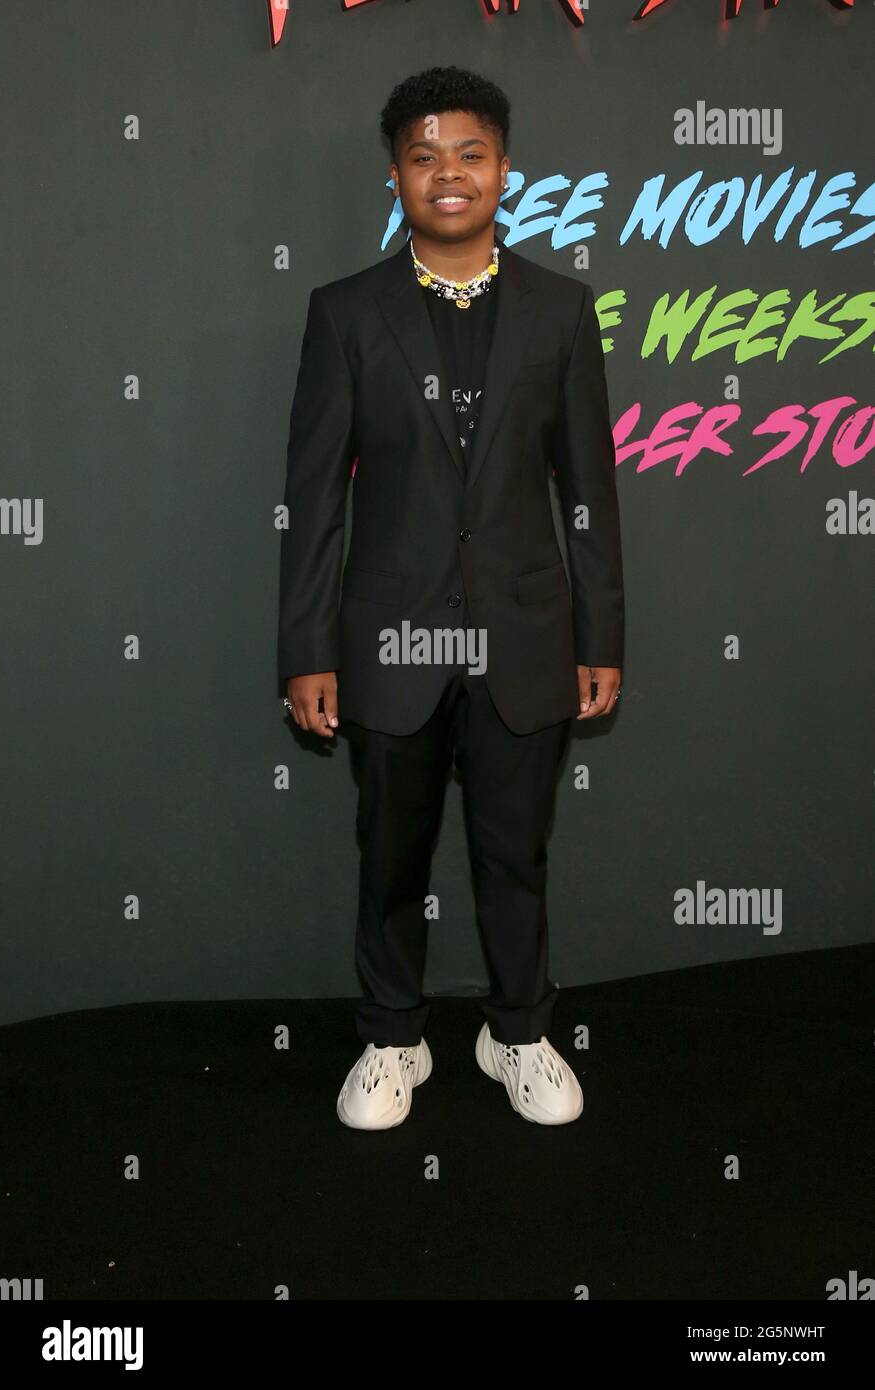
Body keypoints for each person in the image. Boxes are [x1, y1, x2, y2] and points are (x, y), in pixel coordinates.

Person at [277, 66, 624, 1130]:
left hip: (525, 636)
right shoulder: (344, 312)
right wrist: (306, 649)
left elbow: (587, 490)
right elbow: (312, 501)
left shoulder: (562, 310)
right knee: (390, 854)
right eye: (423, 156)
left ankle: (517, 1030)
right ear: (395, 175)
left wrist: (599, 634)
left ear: (503, 169)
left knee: (516, 852)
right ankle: (392, 1037)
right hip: (388, 641)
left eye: (470, 153)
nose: (448, 173)